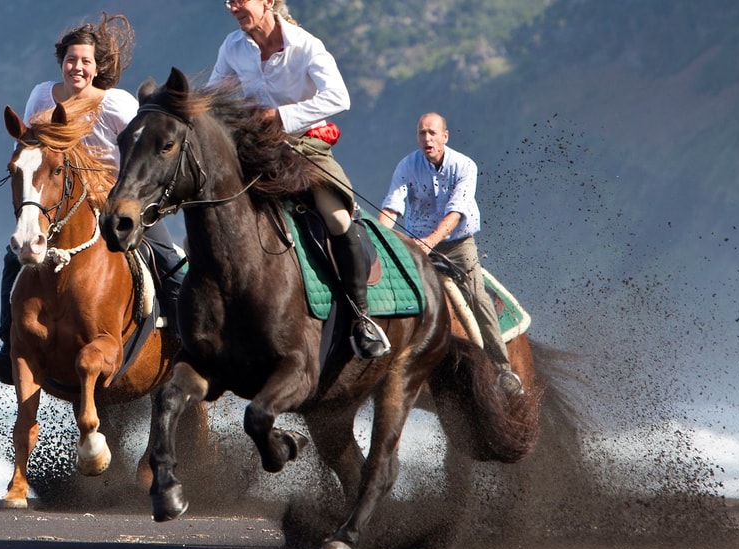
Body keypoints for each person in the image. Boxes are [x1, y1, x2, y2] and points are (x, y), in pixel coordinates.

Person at [0, 14, 186, 386]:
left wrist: (123, 191)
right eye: (70, 60)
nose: (76, 67)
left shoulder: (116, 103)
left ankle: (186, 340)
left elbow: (139, 152)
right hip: (62, 201)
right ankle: (4, 351)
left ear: (97, 67)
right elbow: (32, 146)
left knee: (169, 258)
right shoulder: (42, 95)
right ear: (61, 62)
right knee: (12, 257)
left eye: (85, 61)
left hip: (118, 200)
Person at [206, 0, 390, 360]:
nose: (232, 6)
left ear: (268, 2)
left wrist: (282, 116)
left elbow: (340, 97)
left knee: (337, 219)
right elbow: (215, 96)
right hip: (253, 152)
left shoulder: (306, 46)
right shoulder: (232, 46)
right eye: (228, 1)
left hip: (304, 149)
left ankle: (360, 318)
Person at [378, 112, 523, 395]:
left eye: (432, 133)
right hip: (417, 245)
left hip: (457, 246)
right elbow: (391, 207)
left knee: (478, 297)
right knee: (389, 287)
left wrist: (430, 241)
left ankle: (503, 370)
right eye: (422, 133)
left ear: (445, 136)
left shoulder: (464, 166)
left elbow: (456, 211)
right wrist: (380, 237)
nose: (427, 139)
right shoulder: (407, 165)